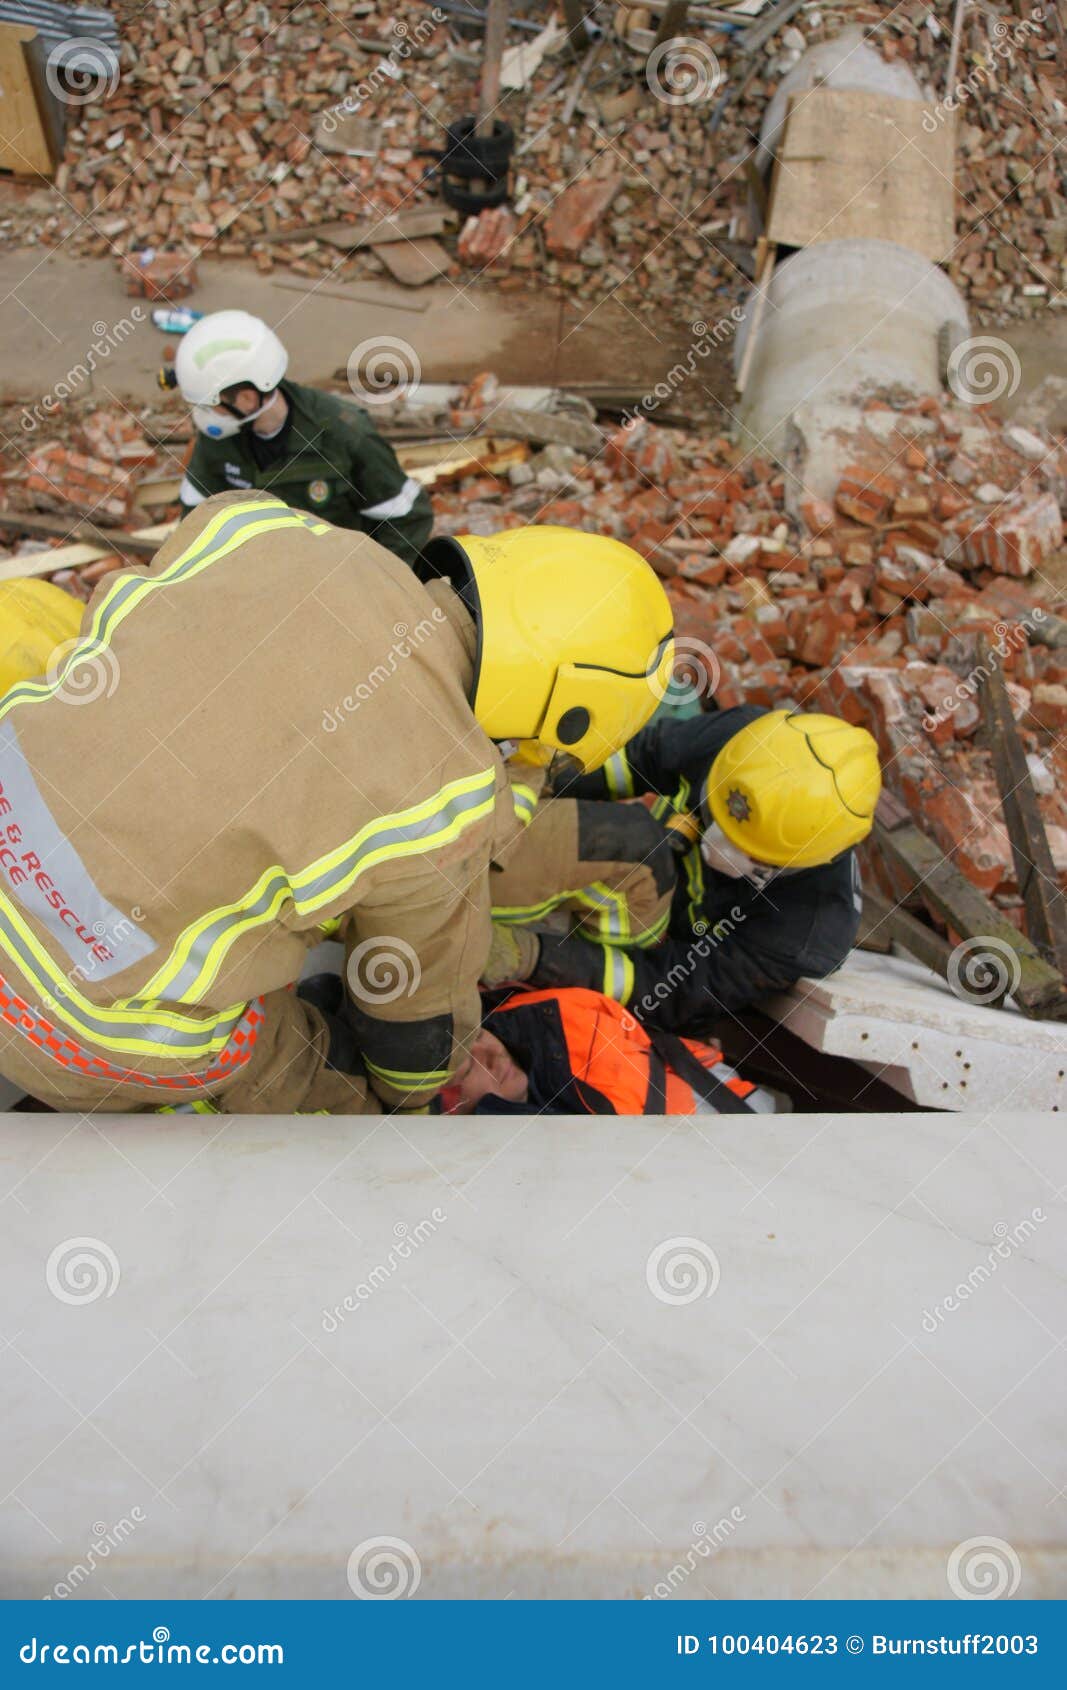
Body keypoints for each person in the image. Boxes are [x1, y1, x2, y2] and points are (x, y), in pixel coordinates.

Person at [0, 501, 673, 1114]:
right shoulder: (450, 796)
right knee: (318, 1077)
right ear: (561, 704)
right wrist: (414, 1095)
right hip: (73, 1022)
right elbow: (411, 1025)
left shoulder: (265, 527)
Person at [482, 706, 881, 1036]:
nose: (714, 843)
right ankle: (471, 868)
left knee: (635, 848)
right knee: (622, 840)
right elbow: (636, 758)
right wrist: (539, 781)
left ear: (798, 864)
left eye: (746, 851)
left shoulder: (807, 929)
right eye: (712, 813)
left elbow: (670, 989)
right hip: (628, 871)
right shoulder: (746, 742)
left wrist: (530, 957)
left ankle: (470, 913)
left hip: (646, 948)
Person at [172, 310, 432, 565]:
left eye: (208, 405)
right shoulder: (219, 438)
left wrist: (373, 580)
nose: (203, 416)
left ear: (247, 398)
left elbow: (407, 520)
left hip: (335, 572)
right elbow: (194, 525)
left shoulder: (346, 435)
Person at [441, 986, 775, 1115]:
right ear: (444, 1109)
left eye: (479, 1035)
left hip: (741, 1103)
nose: (493, 1055)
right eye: (468, 1067)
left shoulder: (554, 1012)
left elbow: (649, 1041)